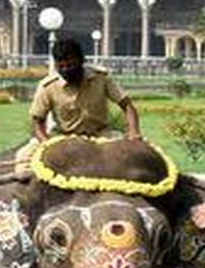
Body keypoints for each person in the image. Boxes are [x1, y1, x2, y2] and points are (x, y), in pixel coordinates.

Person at [13, 39, 142, 171]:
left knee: (133, 156)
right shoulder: (47, 86)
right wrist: (46, 142)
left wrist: (134, 132)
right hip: (62, 136)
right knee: (24, 157)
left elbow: (127, 106)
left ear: (81, 61)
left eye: (70, 65)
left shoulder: (101, 78)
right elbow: (37, 121)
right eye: (61, 67)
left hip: (101, 135)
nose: (66, 70)